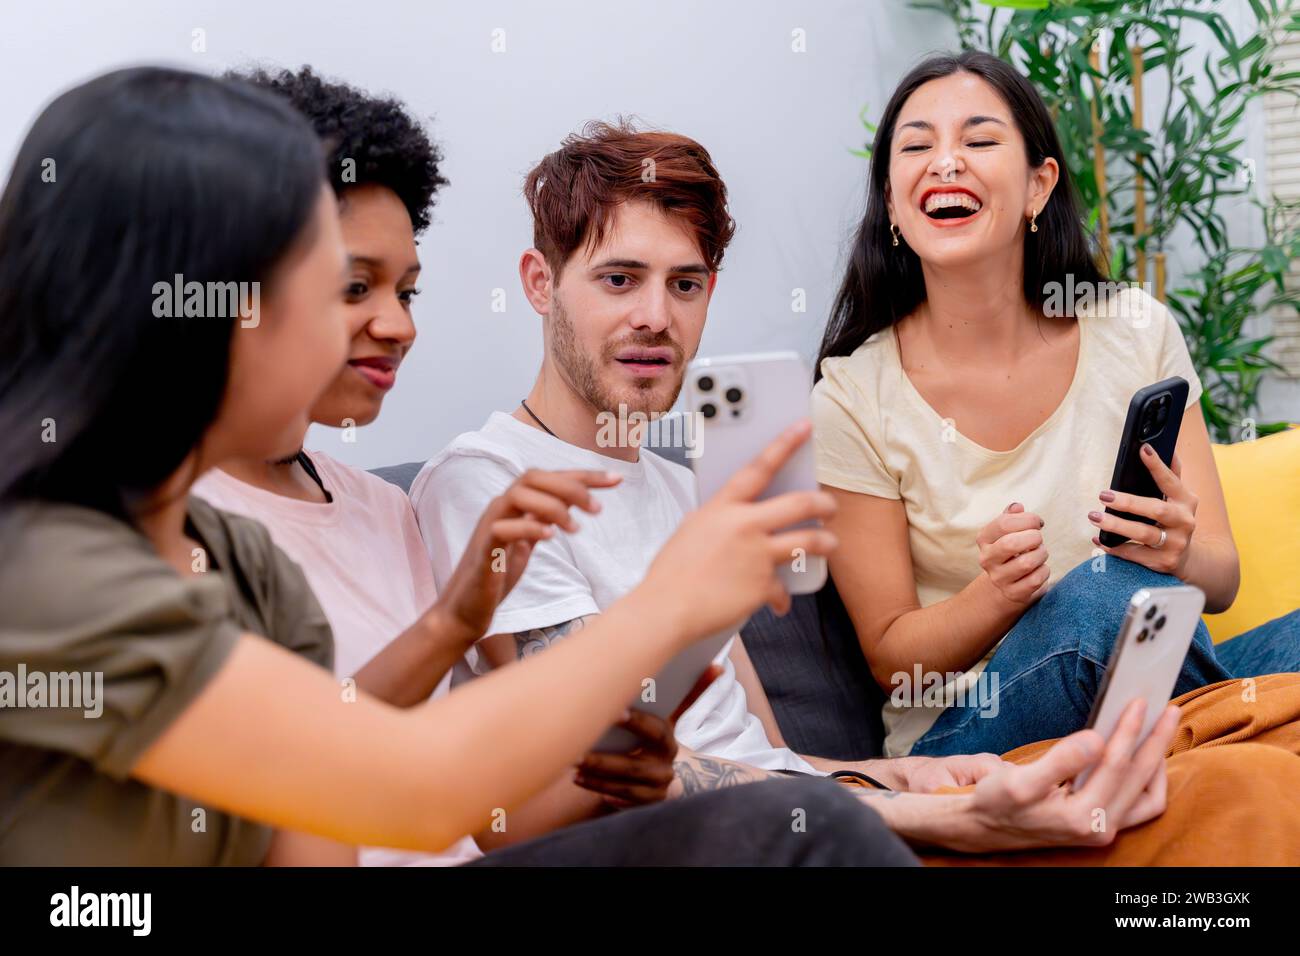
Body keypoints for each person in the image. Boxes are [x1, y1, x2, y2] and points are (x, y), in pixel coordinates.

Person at [0, 66, 911, 867]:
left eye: (397, 290)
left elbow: (339, 800)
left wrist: (483, 648)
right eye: (336, 288)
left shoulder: (238, 562)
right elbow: (413, 786)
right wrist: (676, 601)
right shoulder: (47, 574)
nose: (389, 328)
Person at [409, 118, 1237, 858]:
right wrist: (920, 819)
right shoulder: (485, 482)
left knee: (1223, 791)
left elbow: (763, 752)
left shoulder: (687, 492)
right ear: (539, 282)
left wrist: (900, 780)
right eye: (619, 280)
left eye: (685, 284)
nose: (657, 317)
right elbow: (596, 765)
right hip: (740, 839)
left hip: (810, 815)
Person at [194, 67, 697, 864]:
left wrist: (626, 768)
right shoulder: (166, 521)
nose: (399, 327)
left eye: (410, 292)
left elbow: (472, 813)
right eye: (357, 286)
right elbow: (276, 787)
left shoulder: (382, 511)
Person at [811, 50, 1300, 759]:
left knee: (1133, 604)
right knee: (1105, 596)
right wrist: (997, 597)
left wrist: (1182, 550)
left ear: (1040, 185)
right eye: (916, 146)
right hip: (973, 737)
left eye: (978, 141)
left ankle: (1201, 755)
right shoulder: (853, 396)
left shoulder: (1135, 330)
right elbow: (893, 660)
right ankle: (1233, 748)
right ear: (892, 201)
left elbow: (1220, 581)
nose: (945, 163)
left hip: (1159, 681)